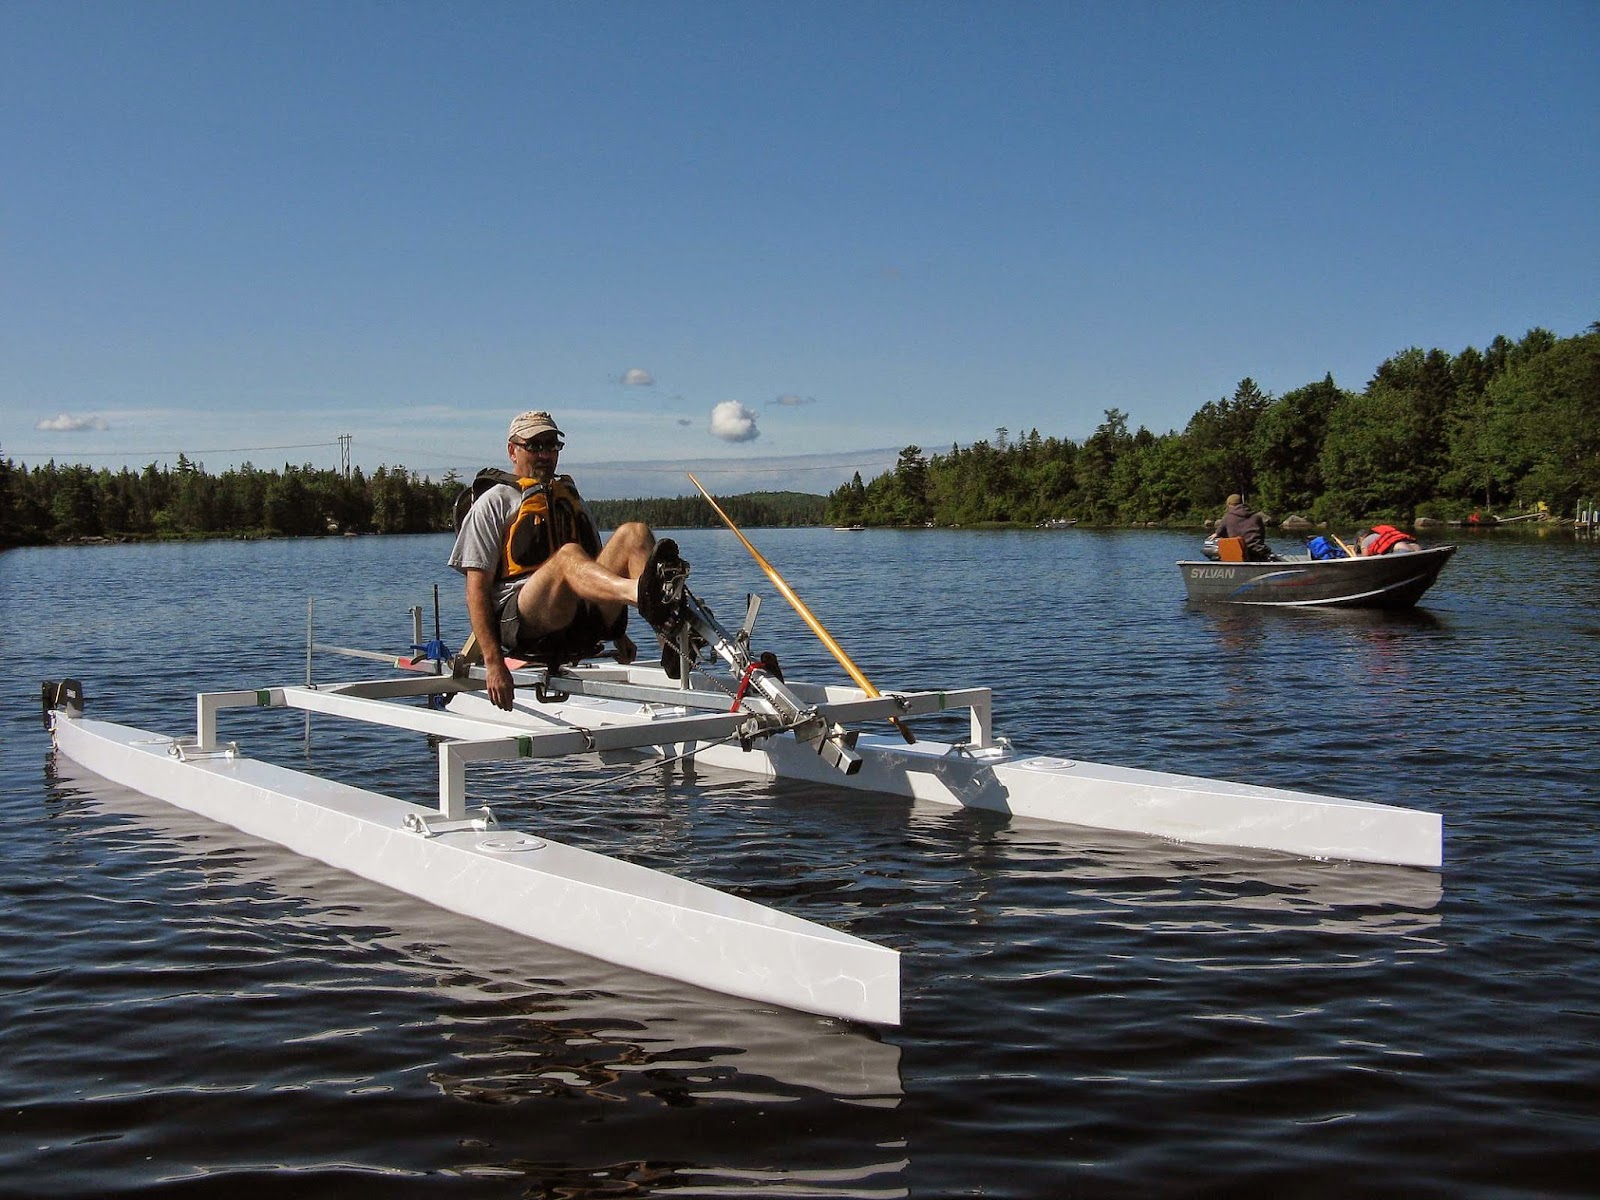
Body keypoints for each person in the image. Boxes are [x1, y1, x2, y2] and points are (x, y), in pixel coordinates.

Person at [449, 410, 686, 709]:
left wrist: (620, 636)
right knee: (568, 556)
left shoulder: (571, 499)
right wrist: (494, 663)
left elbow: (598, 573)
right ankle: (645, 594)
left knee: (634, 534)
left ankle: (670, 638)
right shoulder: (493, 503)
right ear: (512, 450)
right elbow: (476, 591)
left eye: (551, 446)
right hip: (526, 625)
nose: (545, 454)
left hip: (580, 620)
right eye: (535, 446)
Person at [1212, 493, 1272, 561]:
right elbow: (1262, 534)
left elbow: (1218, 534)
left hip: (1240, 552)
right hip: (1258, 551)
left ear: (1229, 505)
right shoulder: (1256, 517)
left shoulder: (1227, 517)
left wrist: (1215, 534)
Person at [1357, 524, 1422, 555]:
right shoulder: (1381, 534)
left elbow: (1365, 558)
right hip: (1416, 547)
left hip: (1402, 550)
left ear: (1361, 538)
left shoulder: (1365, 541)